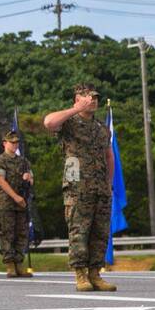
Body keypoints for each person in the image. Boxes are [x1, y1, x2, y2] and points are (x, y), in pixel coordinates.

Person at [43, 84, 117, 292]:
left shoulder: (101, 128)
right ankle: (80, 274)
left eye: (95, 98)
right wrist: (76, 109)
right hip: (77, 187)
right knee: (79, 232)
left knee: (100, 233)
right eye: (87, 97)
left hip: (100, 188)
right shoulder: (70, 122)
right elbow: (49, 122)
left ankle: (95, 273)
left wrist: (109, 184)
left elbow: (109, 156)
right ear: (77, 99)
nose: (93, 100)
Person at [0, 130, 34, 278]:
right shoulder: (0, 160)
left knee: (21, 234)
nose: (15, 145)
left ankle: (19, 263)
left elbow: (31, 181)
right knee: (6, 234)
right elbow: (0, 180)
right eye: (12, 142)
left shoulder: (23, 161)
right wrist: (15, 197)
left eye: (16, 142)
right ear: (5, 143)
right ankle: (10, 264)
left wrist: (28, 178)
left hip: (21, 204)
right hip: (5, 204)